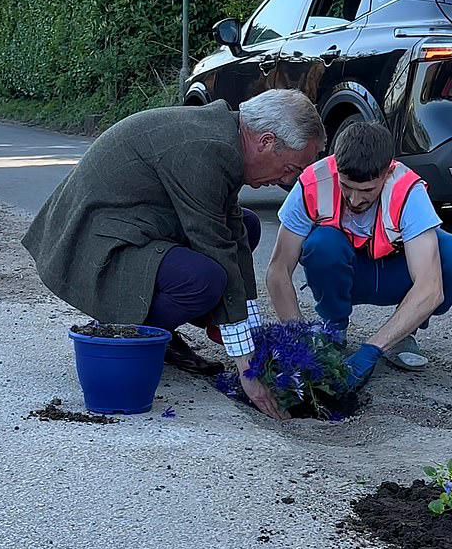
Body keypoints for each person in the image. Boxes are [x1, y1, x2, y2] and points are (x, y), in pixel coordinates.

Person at [22, 90, 326, 419]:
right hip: (92, 248)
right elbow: (217, 248)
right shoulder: (203, 151)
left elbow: (234, 236)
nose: (289, 181)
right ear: (266, 142)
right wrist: (248, 369)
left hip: (135, 227)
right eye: (291, 168)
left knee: (247, 226)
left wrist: (253, 336)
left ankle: (161, 331)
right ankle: (135, 330)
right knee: (206, 279)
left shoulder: (228, 137)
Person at [266, 120, 452, 387]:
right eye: (346, 186)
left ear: (387, 173)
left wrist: (372, 349)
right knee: (322, 244)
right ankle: (333, 330)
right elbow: (278, 270)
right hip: (347, 274)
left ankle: (402, 334)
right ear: (336, 167)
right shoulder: (313, 182)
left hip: (394, 277)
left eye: (366, 190)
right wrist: (298, 341)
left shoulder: (407, 189)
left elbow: (431, 287)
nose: (354, 200)